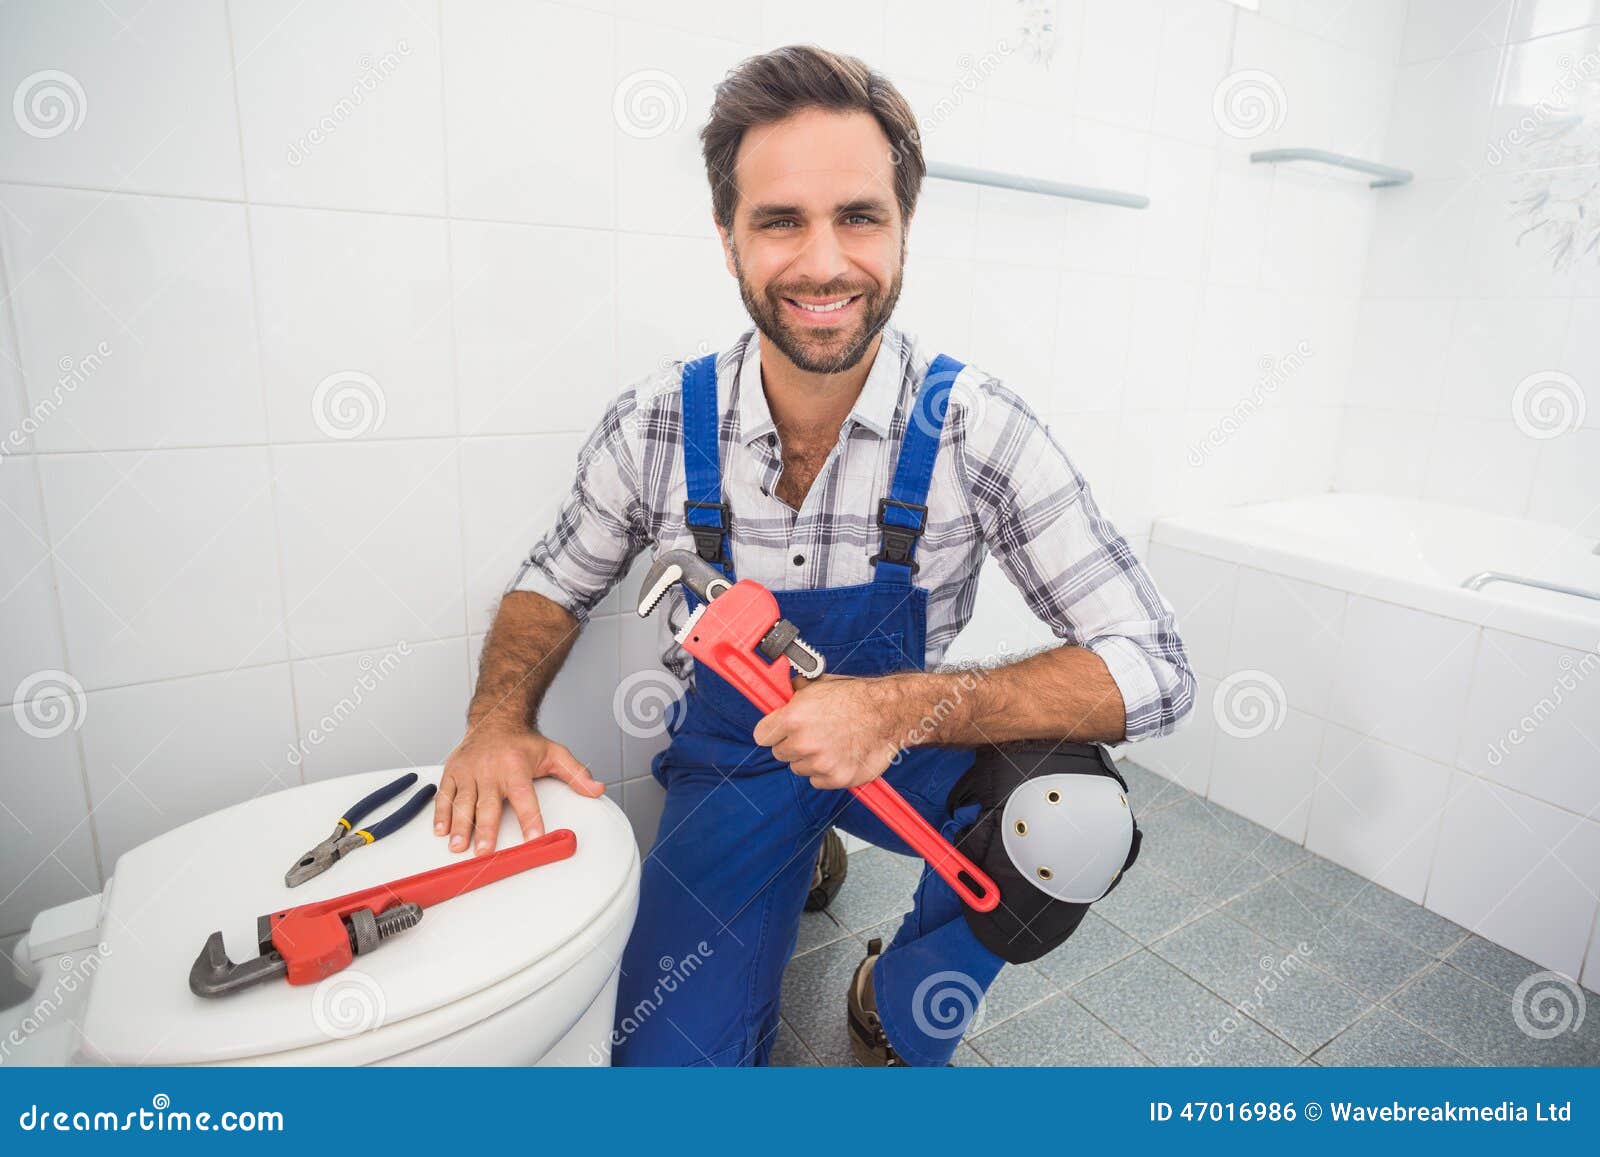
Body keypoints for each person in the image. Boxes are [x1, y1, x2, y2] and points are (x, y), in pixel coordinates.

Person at [435, 45, 1194, 1067]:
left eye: (858, 216)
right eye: (780, 219)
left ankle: (896, 992)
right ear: (727, 237)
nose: (824, 261)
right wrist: (495, 721)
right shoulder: (658, 422)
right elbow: (551, 583)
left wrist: (887, 708)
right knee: (665, 1079)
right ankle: (799, 850)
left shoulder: (975, 426)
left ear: (903, 228)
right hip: (737, 764)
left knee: (1073, 819)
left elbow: (1153, 662)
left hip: (907, 751)